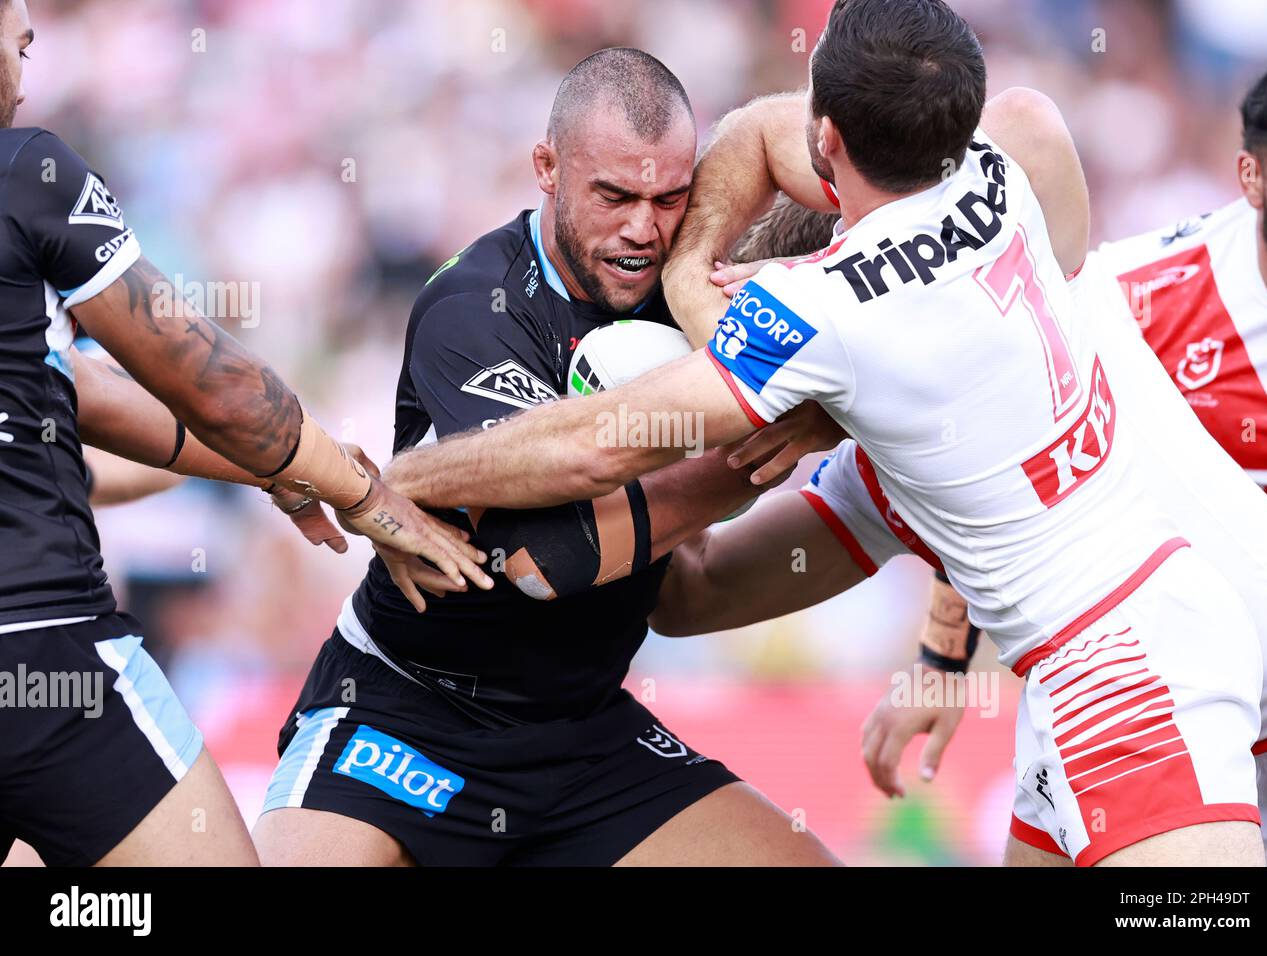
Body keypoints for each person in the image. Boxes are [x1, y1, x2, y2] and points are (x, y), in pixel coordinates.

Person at [377, 0, 1267, 866]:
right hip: (1134, 623)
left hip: (1126, 658)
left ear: (829, 139)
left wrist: (403, 479)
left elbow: (598, 445)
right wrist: (940, 645)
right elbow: (692, 594)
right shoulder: (1004, 161)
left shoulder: (817, 313)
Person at [253, 48, 839, 867]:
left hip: (581, 732)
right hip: (406, 711)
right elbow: (548, 556)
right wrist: (781, 426)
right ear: (547, 168)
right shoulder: (474, 304)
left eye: (670, 197)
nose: (644, 228)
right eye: (614, 196)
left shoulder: (687, 262)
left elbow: (782, 132)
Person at [0, 0, 486, 867]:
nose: (27, 62)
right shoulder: (27, 171)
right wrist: (364, 494)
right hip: (39, 653)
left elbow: (82, 395)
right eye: (20, 38)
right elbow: (211, 384)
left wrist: (282, 473)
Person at [853, 57, 1267, 865]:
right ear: (1251, 178)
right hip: (1166, 691)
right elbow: (1014, 442)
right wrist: (942, 655)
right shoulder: (1152, 295)